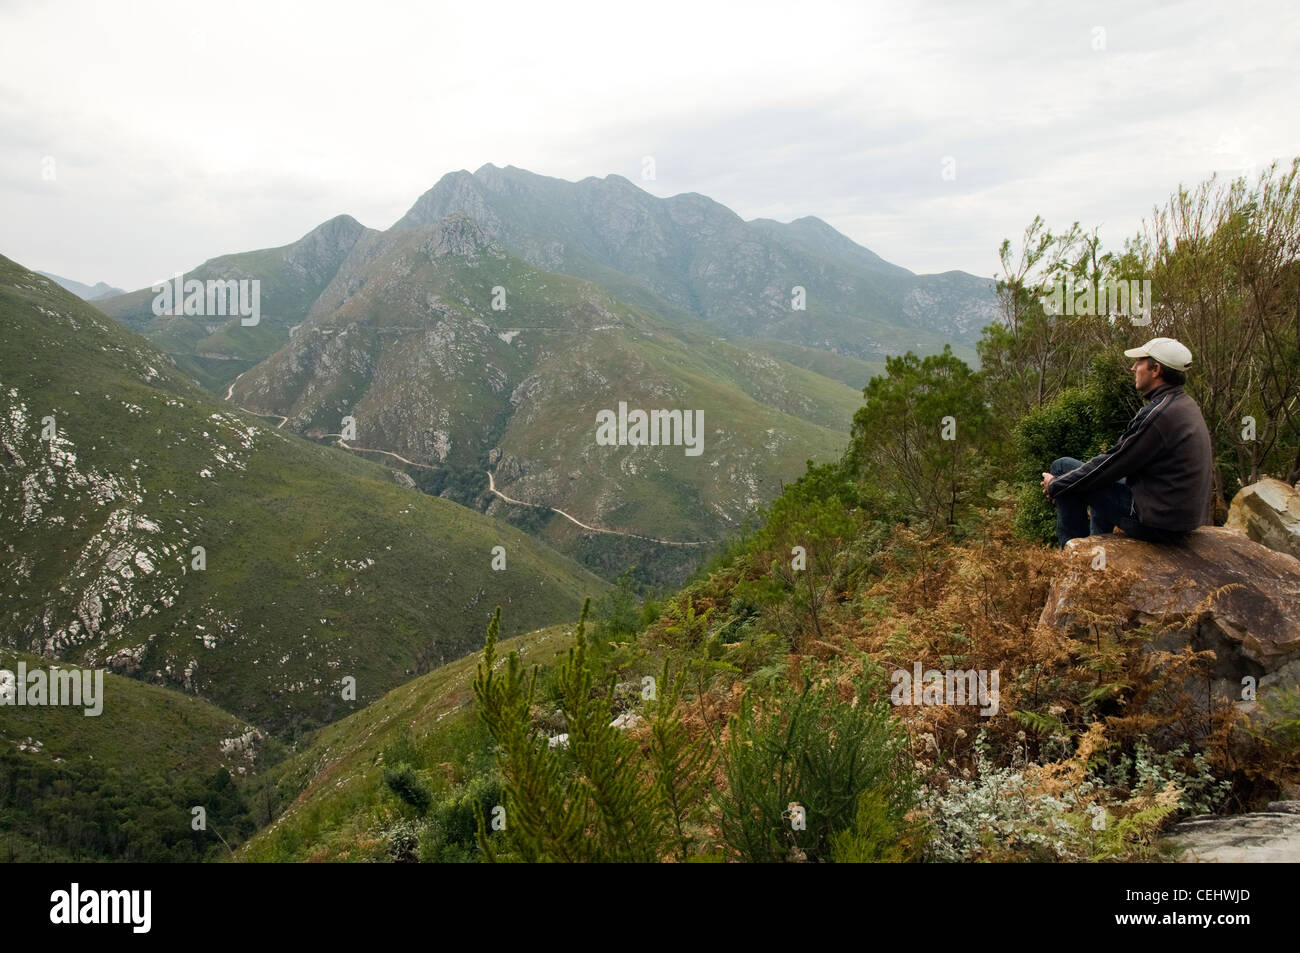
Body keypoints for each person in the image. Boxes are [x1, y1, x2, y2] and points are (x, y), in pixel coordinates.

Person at [1041, 337, 1213, 549]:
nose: (1133, 368)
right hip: (1179, 517)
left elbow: (1112, 464)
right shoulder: (1184, 405)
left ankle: (1072, 556)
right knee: (1095, 478)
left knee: (1062, 468)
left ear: (1156, 369)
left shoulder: (1159, 415)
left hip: (1158, 522)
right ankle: (1096, 547)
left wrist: (1056, 485)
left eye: (1139, 362)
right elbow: (1118, 463)